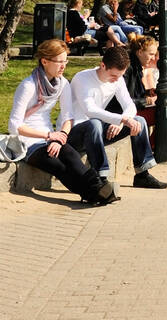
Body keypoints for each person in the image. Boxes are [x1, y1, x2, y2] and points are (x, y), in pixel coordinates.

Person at [7, 39, 118, 206]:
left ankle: (97, 191)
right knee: (57, 166)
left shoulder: (62, 84)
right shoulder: (28, 86)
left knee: (71, 155)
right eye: (59, 62)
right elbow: (14, 126)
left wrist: (60, 137)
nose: (63, 66)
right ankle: (95, 193)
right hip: (28, 141)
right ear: (44, 61)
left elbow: (68, 117)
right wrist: (49, 135)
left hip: (51, 137)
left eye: (65, 61)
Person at [70, 45, 167, 189]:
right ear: (102, 65)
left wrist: (122, 122)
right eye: (113, 76)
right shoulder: (82, 78)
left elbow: (130, 106)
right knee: (95, 123)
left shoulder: (118, 79)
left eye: (120, 76)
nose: (116, 80)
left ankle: (142, 174)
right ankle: (101, 178)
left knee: (139, 121)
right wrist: (121, 119)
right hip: (76, 133)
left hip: (98, 132)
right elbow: (89, 110)